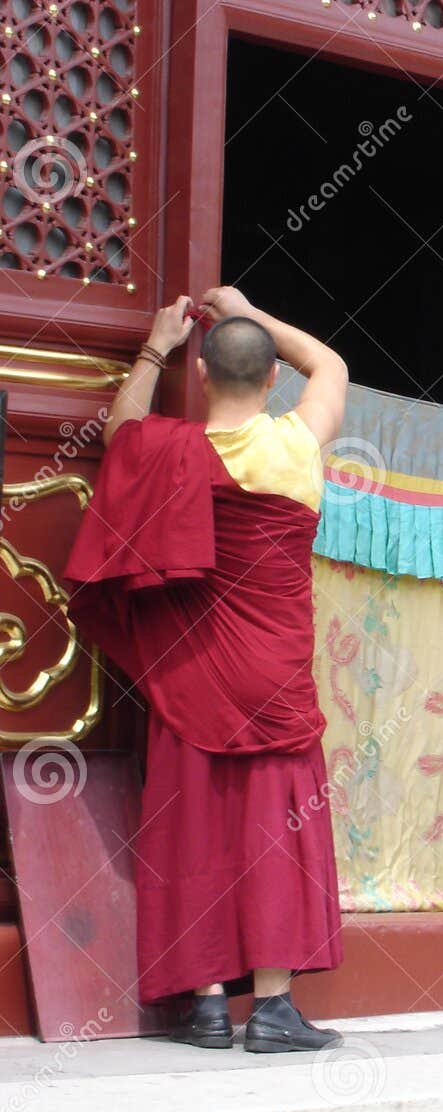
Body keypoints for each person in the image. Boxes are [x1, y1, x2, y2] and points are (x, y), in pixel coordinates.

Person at [64, 287, 349, 1051]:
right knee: (272, 831)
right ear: (267, 381)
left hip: (193, 673)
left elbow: (119, 430)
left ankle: (207, 1006)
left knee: (195, 829)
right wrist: (250, 310)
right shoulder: (297, 446)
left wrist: (157, 345)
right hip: (275, 674)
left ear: (202, 380)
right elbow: (329, 363)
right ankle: (276, 1008)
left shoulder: (164, 453)